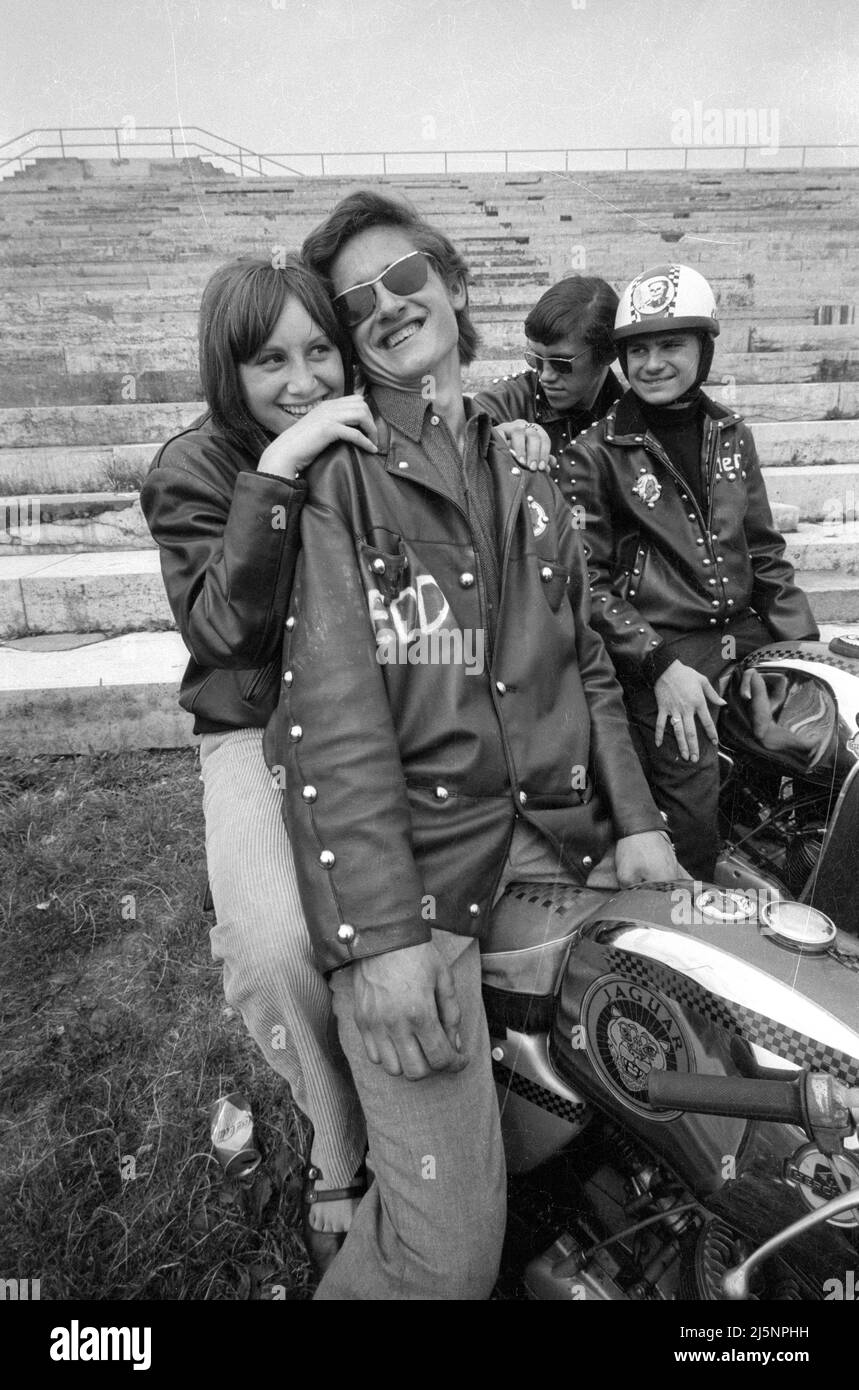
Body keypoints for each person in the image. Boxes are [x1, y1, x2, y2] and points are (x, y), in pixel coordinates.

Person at [264, 191, 684, 1300]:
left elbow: (585, 664)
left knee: (695, 1035)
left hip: (555, 840)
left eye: (405, 275)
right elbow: (335, 724)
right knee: (448, 1260)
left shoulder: (531, 468)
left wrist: (640, 825)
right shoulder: (339, 482)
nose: (387, 304)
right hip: (429, 879)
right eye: (357, 301)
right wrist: (385, 941)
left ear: (454, 285)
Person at [140, 253, 555, 1273]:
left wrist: (521, 422)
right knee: (280, 942)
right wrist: (275, 473)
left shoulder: (372, 422)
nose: (302, 379)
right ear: (225, 372)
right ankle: (338, 1137)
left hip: (375, 701)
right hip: (250, 716)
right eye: (268, 361)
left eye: (318, 348)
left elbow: (462, 402)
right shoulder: (194, 468)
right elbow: (225, 631)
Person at [562, 263, 819, 882]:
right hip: (662, 654)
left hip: (747, 637)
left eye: (671, 344)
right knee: (693, 813)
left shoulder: (732, 434)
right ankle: (692, 937)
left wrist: (803, 653)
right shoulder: (594, 453)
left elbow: (764, 554)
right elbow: (586, 582)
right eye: (638, 350)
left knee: (820, 748)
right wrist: (658, 666)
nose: (652, 363)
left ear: (703, 348)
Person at [473, 275, 624, 484]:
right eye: (535, 360)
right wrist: (489, 439)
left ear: (607, 355)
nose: (545, 376)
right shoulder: (505, 402)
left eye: (562, 363)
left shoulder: (633, 416)